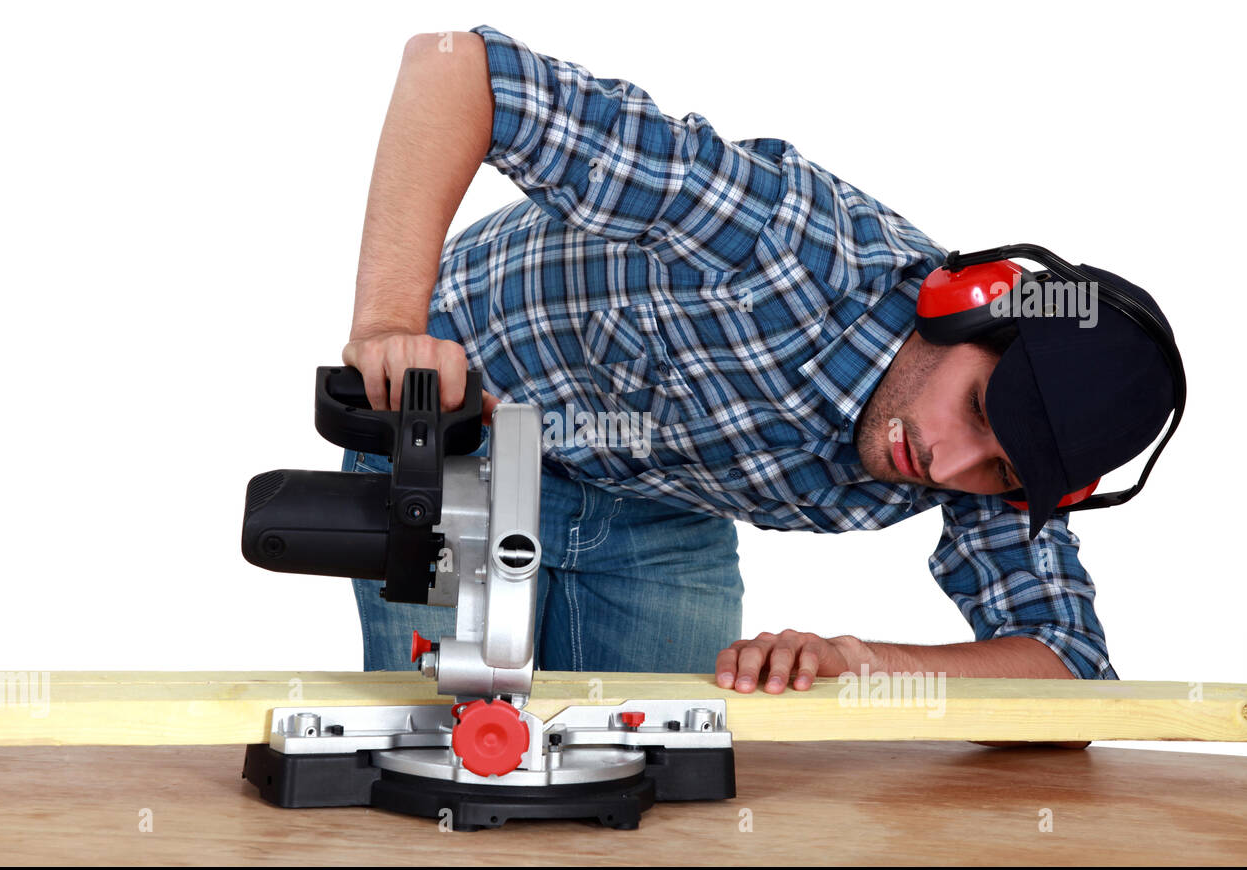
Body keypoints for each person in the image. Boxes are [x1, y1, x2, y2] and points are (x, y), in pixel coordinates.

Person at [340, 26, 1180, 705]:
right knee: (432, 767)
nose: (950, 467)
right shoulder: (778, 240)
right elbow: (458, 71)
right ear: (968, 304)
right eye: (982, 414)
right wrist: (387, 325)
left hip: (655, 507)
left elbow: (1070, 676)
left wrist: (859, 662)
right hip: (457, 436)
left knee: (651, 795)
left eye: (999, 471)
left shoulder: (998, 460)